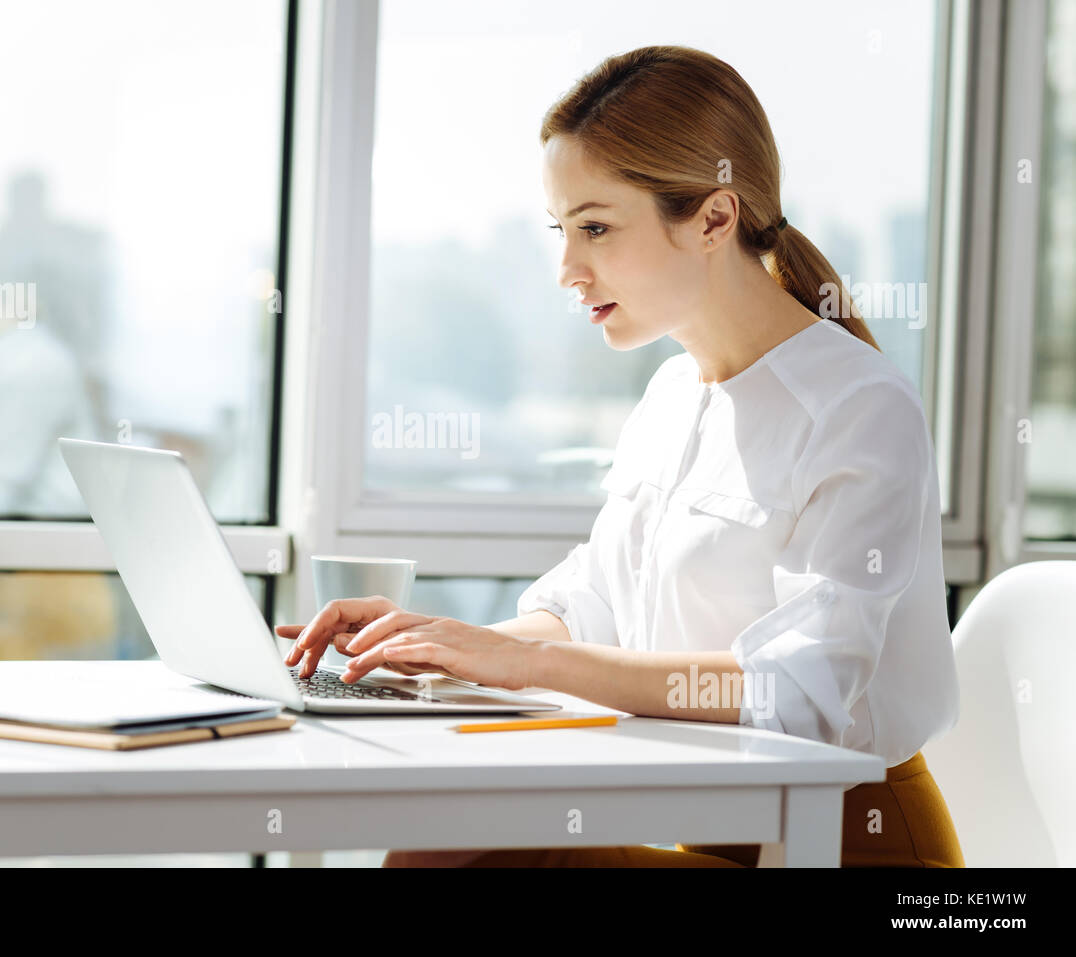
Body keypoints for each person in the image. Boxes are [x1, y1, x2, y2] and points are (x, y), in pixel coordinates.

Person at [275, 45, 964, 868]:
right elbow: (594, 601)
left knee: (466, 857)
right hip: (702, 819)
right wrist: (437, 649)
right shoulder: (671, 396)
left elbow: (799, 695)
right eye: (562, 232)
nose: (568, 269)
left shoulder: (861, 406)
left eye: (596, 228)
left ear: (714, 218)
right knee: (447, 838)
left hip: (846, 842)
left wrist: (528, 661)